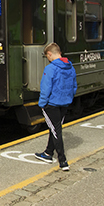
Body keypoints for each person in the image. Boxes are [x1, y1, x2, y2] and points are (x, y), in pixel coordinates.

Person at [35, 42, 77, 172]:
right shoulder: (70, 67)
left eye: (47, 56)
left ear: (50, 54)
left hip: (51, 104)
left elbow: (46, 88)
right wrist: (69, 98)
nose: (48, 59)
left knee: (56, 131)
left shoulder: (50, 68)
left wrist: (42, 104)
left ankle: (62, 161)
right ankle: (48, 153)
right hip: (64, 103)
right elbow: (74, 86)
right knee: (54, 128)